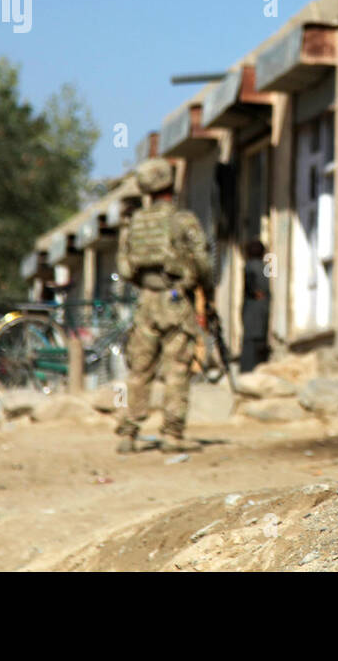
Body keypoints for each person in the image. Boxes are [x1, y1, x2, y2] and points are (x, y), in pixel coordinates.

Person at [113, 158, 214, 454]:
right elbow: (203, 262)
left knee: (139, 368)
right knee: (177, 367)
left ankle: (129, 434)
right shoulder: (182, 220)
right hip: (174, 299)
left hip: (145, 302)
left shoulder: (134, 224)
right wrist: (205, 290)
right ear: (170, 184)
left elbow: (126, 269)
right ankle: (172, 434)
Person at [240, 239, 271, 373]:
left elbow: (251, 287)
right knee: (260, 339)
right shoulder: (265, 267)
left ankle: (248, 370)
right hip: (263, 308)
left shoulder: (249, 266)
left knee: (250, 340)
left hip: (252, 308)